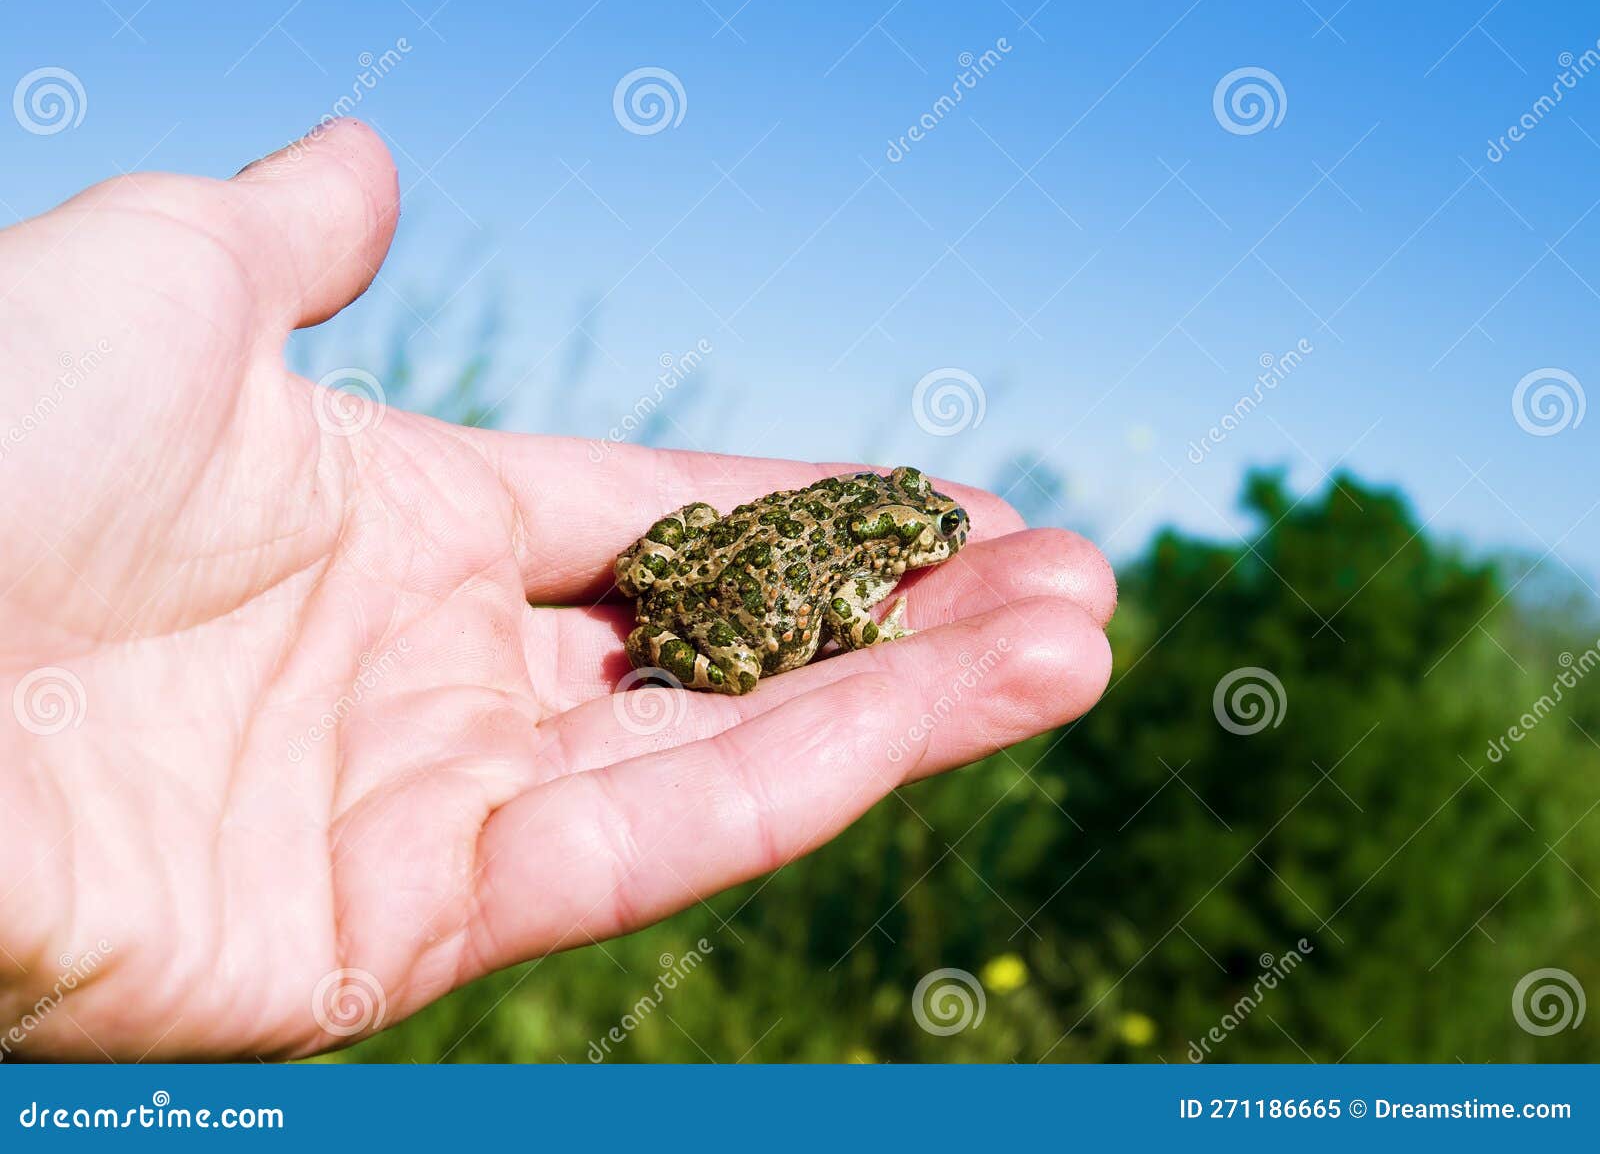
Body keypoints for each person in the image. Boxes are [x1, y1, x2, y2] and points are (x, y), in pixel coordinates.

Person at [0, 119, 1115, 1059]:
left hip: (703, 563)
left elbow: (724, 544)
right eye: (917, 518)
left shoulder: (846, 524)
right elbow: (823, 614)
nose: (931, 527)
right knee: (778, 627)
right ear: (886, 524)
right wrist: (851, 631)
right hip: (731, 610)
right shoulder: (855, 567)